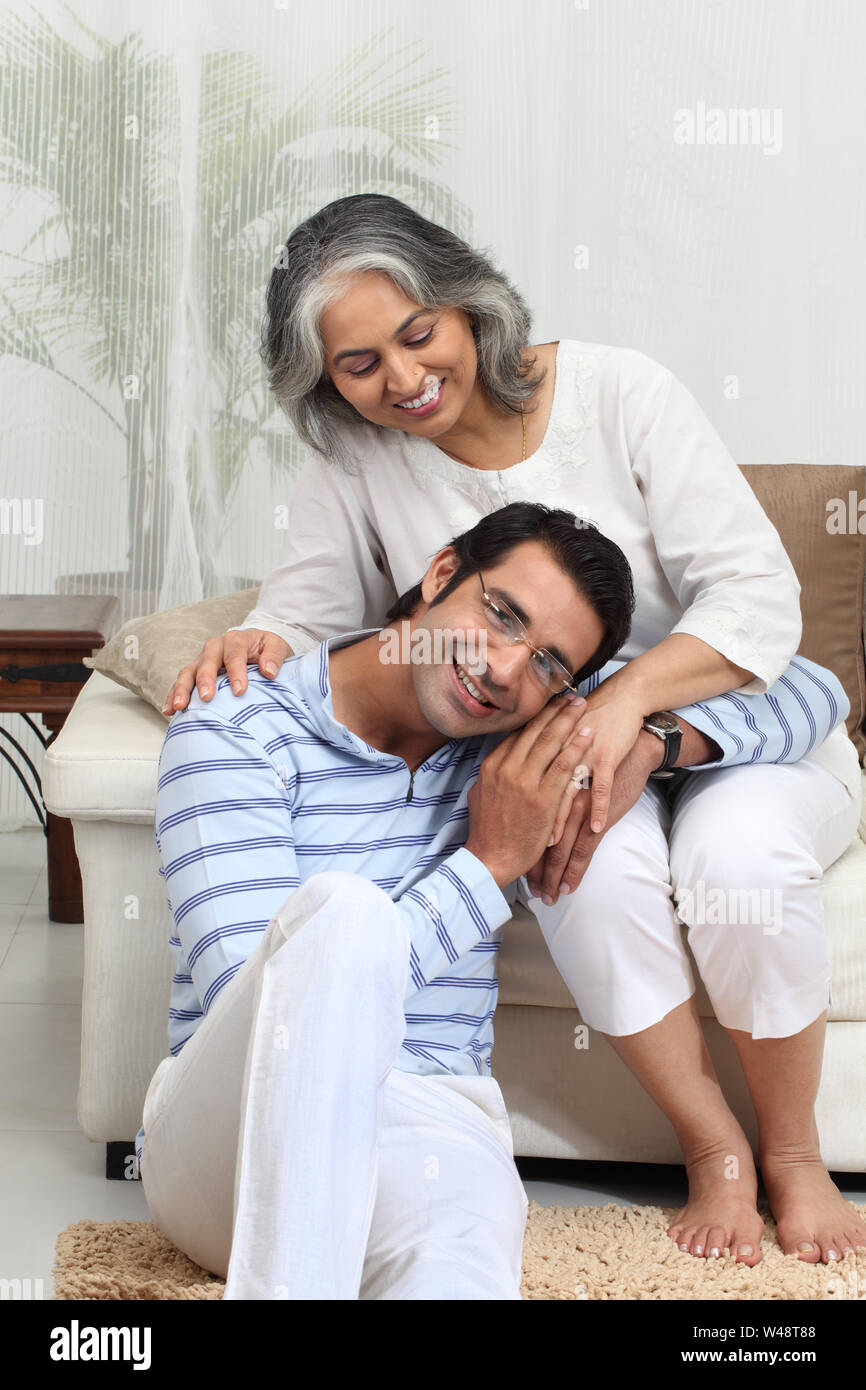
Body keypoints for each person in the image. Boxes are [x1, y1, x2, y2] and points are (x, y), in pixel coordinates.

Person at [163, 193, 865, 1268]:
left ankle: (794, 1153)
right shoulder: (358, 457)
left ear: (466, 303)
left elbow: (764, 615)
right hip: (564, 742)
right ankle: (712, 1148)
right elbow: (304, 619)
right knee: (586, 865)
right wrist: (249, 649)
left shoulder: (620, 393)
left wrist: (629, 713)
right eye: (359, 365)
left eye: (417, 334)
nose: (403, 379)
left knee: (741, 856)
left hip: (720, 709)